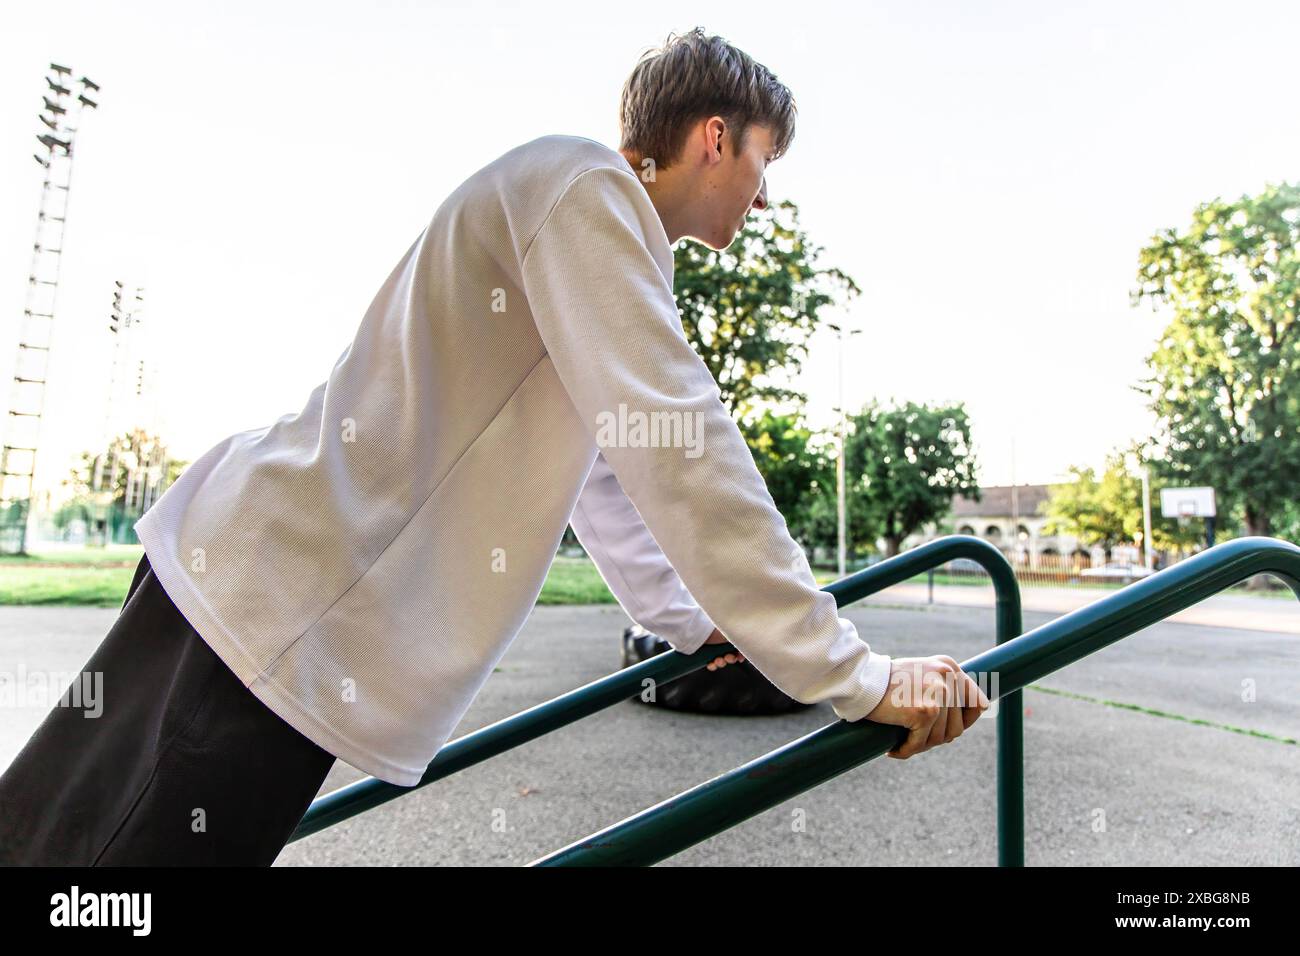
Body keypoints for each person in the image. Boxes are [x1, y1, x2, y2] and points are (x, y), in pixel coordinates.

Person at [0, 27, 987, 866]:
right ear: (715, 137)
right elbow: (686, 450)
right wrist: (856, 672)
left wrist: (704, 628)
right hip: (277, 613)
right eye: (767, 163)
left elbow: (610, 477)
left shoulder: (587, 227)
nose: (764, 198)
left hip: (272, 602)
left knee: (55, 847)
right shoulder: (586, 193)